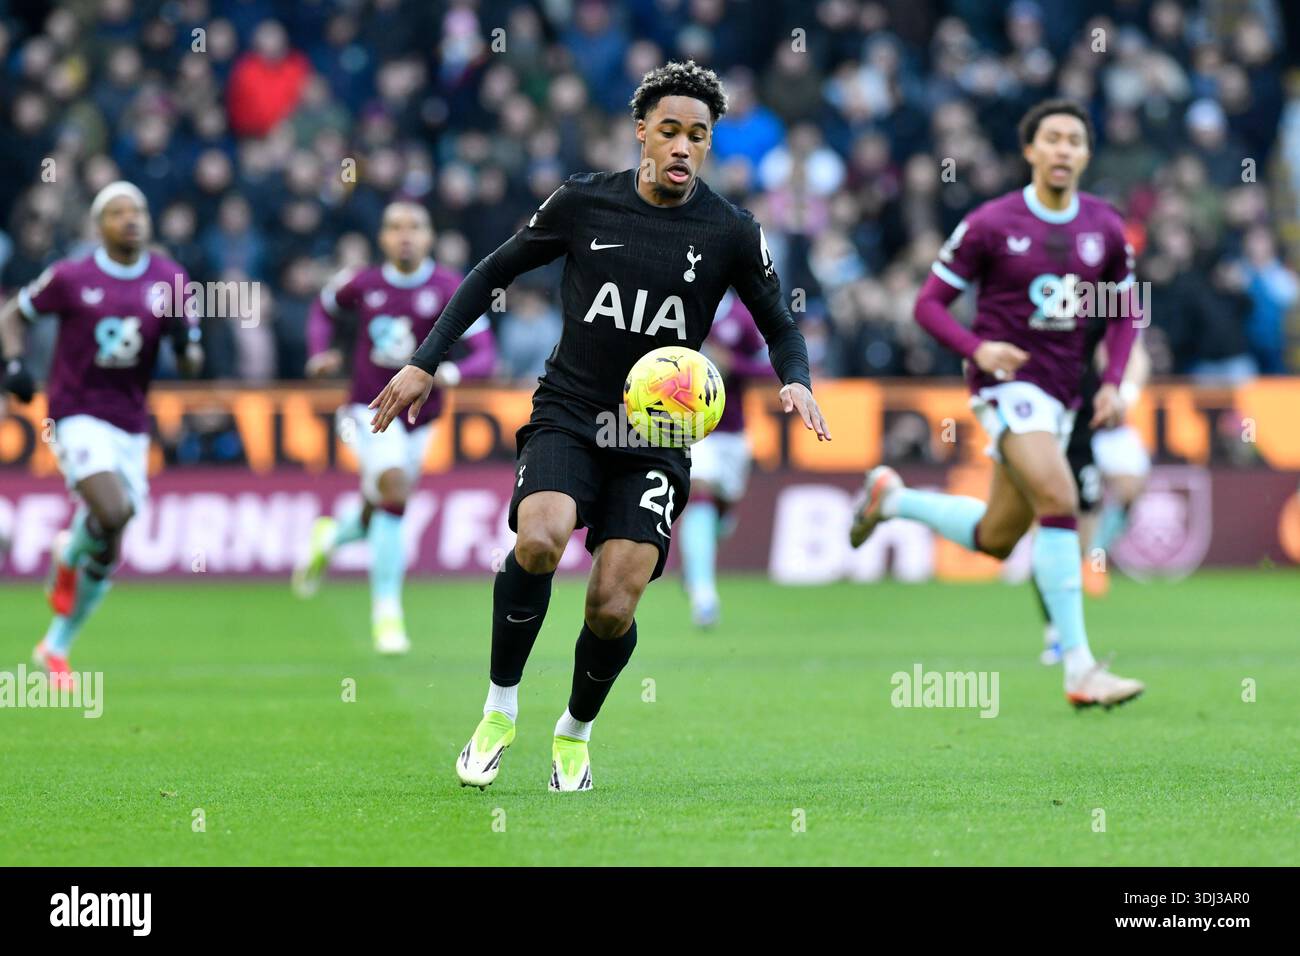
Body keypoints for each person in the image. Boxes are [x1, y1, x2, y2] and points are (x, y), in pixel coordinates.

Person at [369, 61, 830, 791]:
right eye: (670, 131)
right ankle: (499, 709)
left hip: (658, 438)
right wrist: (427, 360)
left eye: (698, 136)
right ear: (641, 132)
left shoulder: (731, 231)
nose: (683, 147)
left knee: (613, 604)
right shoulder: (584, 204)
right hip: (572, 414)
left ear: (709, 146)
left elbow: (779, 321)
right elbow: (492, 271)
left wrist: (795, 380)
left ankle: (575, 732)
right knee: (540, 539)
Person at [848, 100, 1145, 709]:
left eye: (1074, 140)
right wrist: (978, 349)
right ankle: (1080, 669)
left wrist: (1113, 380)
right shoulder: (991, 223)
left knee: (997, 537)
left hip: (1061, 397)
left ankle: (892, 498)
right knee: (1060, 500)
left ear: (1086, 155)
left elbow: (1125, 315)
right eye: (1052, 139)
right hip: (1007, 390)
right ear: (1030, 151)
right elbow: (928, 305)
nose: (1063, 149)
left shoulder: (1105, 229)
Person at [0, 181, 203, 688]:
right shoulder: (72, 276)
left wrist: (187, 343)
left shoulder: (171, 279)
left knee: (111, 543)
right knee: (113, 511)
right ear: (100, 225)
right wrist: (15, 365)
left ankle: (56, 643)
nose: (130, 219)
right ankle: (70, 554)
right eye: (118, 212)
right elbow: (11, 316)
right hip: (75, 412)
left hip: (131, 423)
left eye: (137, 210)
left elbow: (193, 361)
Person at [292, 202, 495, 654]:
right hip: (367, 408)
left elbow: (485, 353)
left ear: (429, 238)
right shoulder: (362, 283)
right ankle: (387, 613)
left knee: (384, 505)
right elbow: (323, 311)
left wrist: (452, 375)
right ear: (382, 238)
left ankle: (332, 534)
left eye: (415, 227)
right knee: (395, 490)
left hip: (422, 418)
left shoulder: (450, 288)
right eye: (395, 227)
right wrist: (318, 352)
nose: (405, 235)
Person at [679, 292, 773, 628]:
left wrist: (734, 365)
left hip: (732, 431)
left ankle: (697, 562)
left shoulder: (742, 318)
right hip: (691, 425)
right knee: (699, 492)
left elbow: (768, 368)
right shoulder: (680, 307)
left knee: (723, 509)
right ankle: (704, 595)